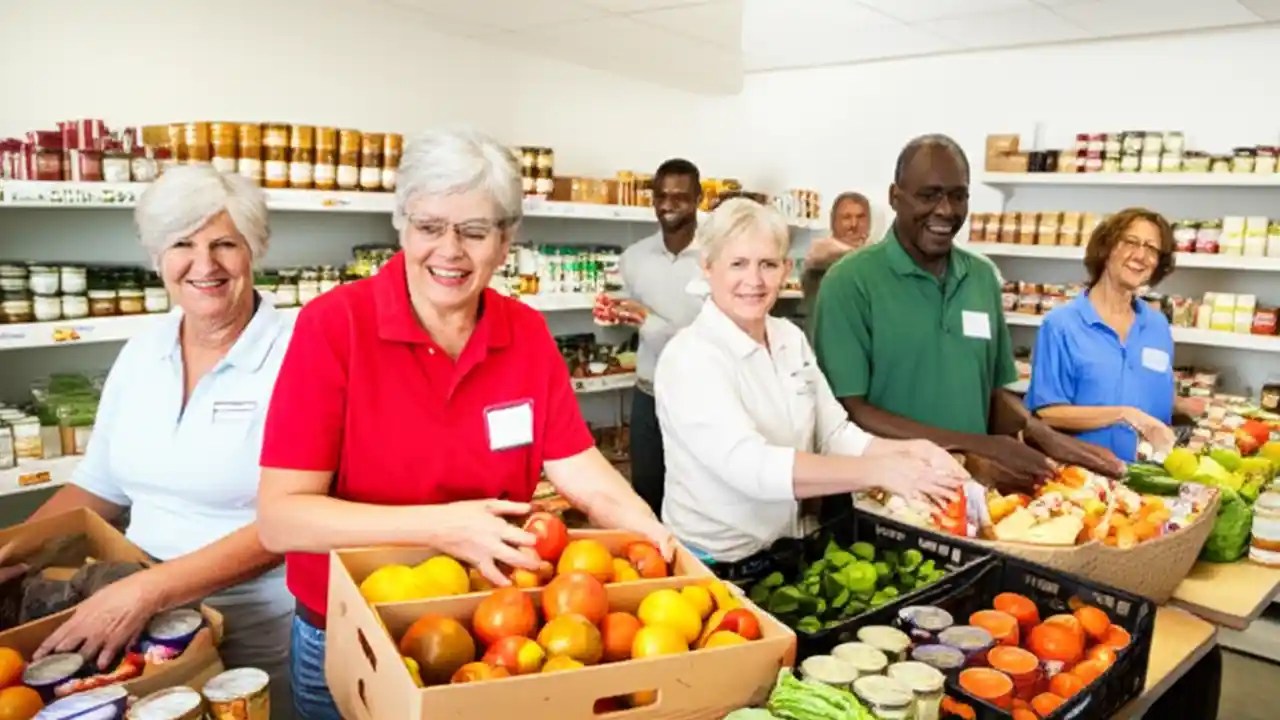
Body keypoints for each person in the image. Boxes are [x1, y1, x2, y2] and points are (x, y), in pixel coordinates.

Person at [255, 128, 674, 720]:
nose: (449, 250)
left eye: (474, 231)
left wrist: (660, 541)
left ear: (505, 242)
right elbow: (281, 518)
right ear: (401, 225)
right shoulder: (333, 328)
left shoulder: (525, 334)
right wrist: (443, 529)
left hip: (488, 630)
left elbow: (583, 471)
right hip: (352, 634)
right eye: (429, 227)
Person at [7, 166, 293, 714]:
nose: (203, 264)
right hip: (131, 613)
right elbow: (99, 487)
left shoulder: (298, 355)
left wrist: (151, 589)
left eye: (224, 243)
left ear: (253, 249)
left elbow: (293, 518)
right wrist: (14, 548)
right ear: (158, 257)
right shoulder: (142, 352)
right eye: (182, 243)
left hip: (254, 629)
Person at [654, 198, 967, 569]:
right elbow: (749, 467)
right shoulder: (691, 357)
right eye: (737, 264)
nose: (754, 281)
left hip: (790, 547)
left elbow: (834, 434)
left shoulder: (788, 338)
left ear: (786, 268)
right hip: (716, 562)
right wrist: (878, 472)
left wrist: (913, 451)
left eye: (768, 264)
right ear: (707, 268)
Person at [812, 134, 1124, 490]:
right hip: (883, 496)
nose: (945, 210)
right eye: (929, 195)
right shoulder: (850, 282)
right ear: (895, 198)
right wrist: (977, 446)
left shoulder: (981, 277)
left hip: (972, 492)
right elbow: (849, 410)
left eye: (958, 196)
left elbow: (990, 392)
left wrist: (1040, 433)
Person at [1026, 208, 1206, 462]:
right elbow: (1049, 412)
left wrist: (1183, 406)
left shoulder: (1157, 325)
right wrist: (1123, 414)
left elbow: (1141, 384)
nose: (1141, 255)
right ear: (1107, 248)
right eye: (1131, 242)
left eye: (1152, 249)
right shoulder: (1061, 324)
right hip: (1083, 476)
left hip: (1149, 474)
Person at [609, 158, 706, 516]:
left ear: (699, 199)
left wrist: (649, 321)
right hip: (649, 394)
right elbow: (624, 316)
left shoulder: (719, 255)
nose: (668, 206)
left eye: (680, 197)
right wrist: (614, 311)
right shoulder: (634, 258)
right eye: (661, 196)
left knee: (699, 495)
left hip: (703, 394)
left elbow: (714, 338)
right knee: (647, 492)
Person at [801, 191, 872, 304]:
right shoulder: (820, 253)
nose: (854, 224)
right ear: (833, 221)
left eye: (860, 217)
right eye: (846, 217)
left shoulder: (874, 251)